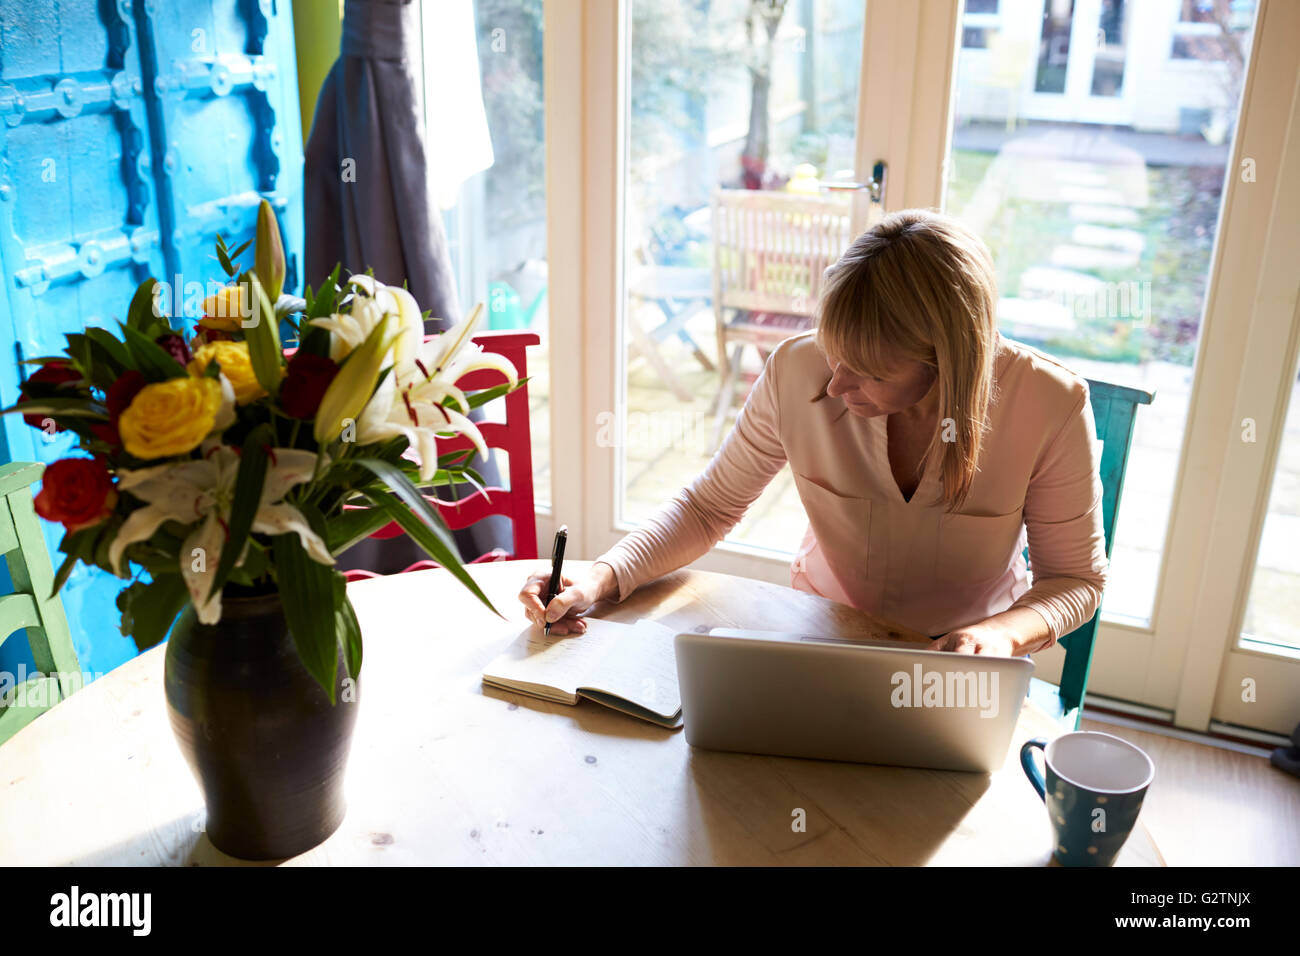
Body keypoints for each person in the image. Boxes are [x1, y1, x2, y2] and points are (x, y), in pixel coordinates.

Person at [519, 209, 1108, 657]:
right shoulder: (795, 370)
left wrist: (998, 636)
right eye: (834, 354)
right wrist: (598, 577)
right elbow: (708, 508)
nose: (834, 387)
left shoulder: (1051, 404)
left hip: (961, 667)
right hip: (820, 635)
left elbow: (1073, 579)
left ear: (948, 362)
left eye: (870, 371)